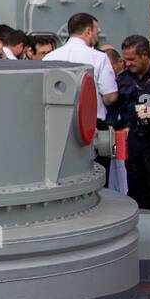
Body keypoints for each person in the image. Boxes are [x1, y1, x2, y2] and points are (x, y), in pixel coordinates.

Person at [43, 13, 119, 186]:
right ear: (87, 31)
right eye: (96, 31)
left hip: (56, 125)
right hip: (90, 126)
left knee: (59, 174)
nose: (96, 36)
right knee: (96, 175)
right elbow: (110, 96)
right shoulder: (99, 58)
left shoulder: (49, 57)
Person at [117, 34, 150, 212]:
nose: (128, 63)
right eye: (125, 59)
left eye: (132, 59)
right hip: (133, 138)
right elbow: (116, 108)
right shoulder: (123, 79)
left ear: (145, 55)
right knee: (135, 186)